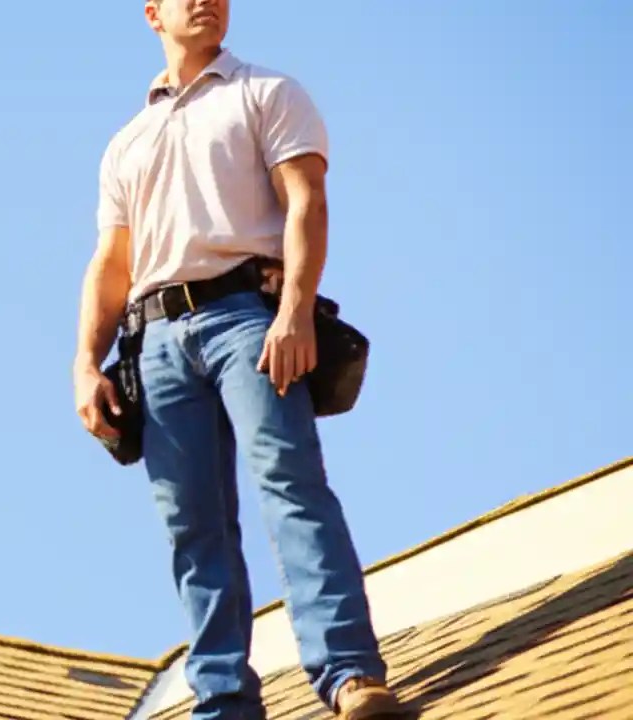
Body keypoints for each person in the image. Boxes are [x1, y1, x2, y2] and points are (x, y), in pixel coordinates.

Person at [71, 2, 402, 719]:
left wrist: (292, 312)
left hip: (246, 319)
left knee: (291, 484)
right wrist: (84, 363)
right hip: (153, 339)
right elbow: (112, 262)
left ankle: (349, 674)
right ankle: (221, 702)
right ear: (152, 13)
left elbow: (307, 203)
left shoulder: (268, 92)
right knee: (192, 524)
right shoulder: (127, 141)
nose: (208, 0)